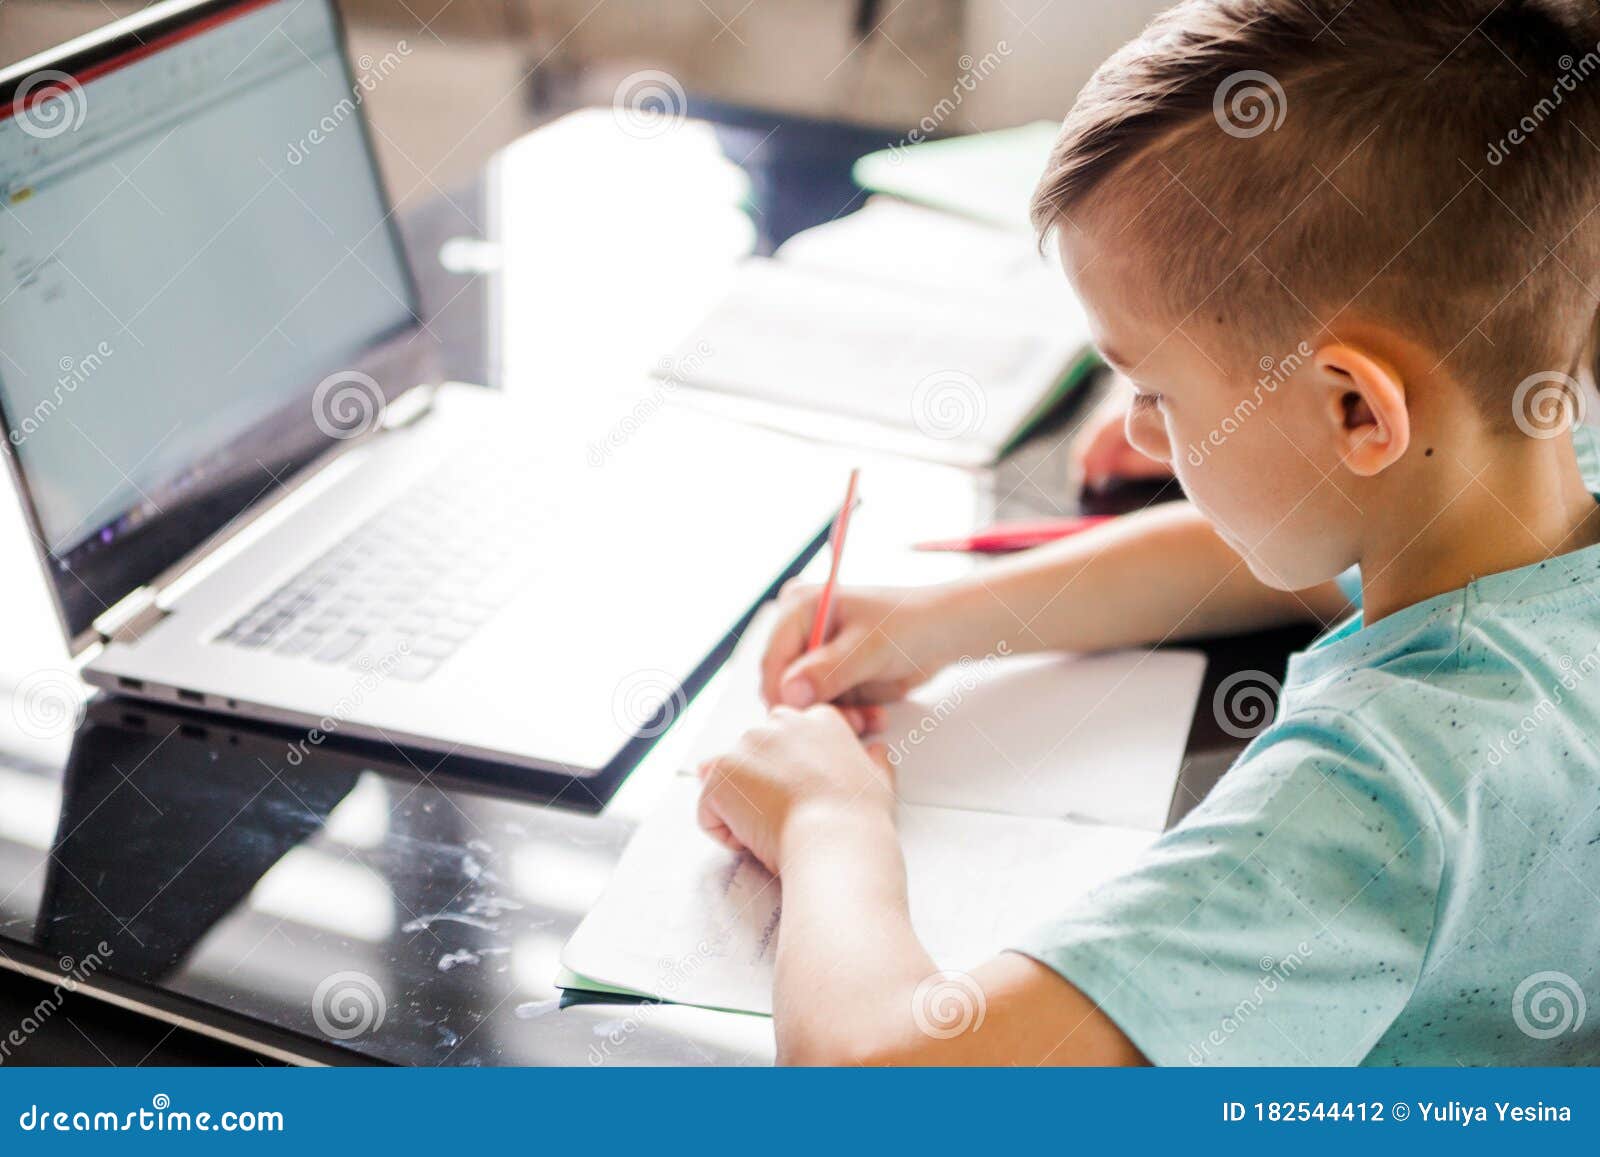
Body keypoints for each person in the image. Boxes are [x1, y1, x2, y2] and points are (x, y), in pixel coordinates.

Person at [695, 0, 1600, 1065]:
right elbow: (1285, 560)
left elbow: (885, 1088)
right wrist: (946, 619)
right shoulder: (1536, 480)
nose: (1134, 428)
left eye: (1154, 388)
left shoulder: (1381, 795)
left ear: (1358, 409)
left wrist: (827, 819)